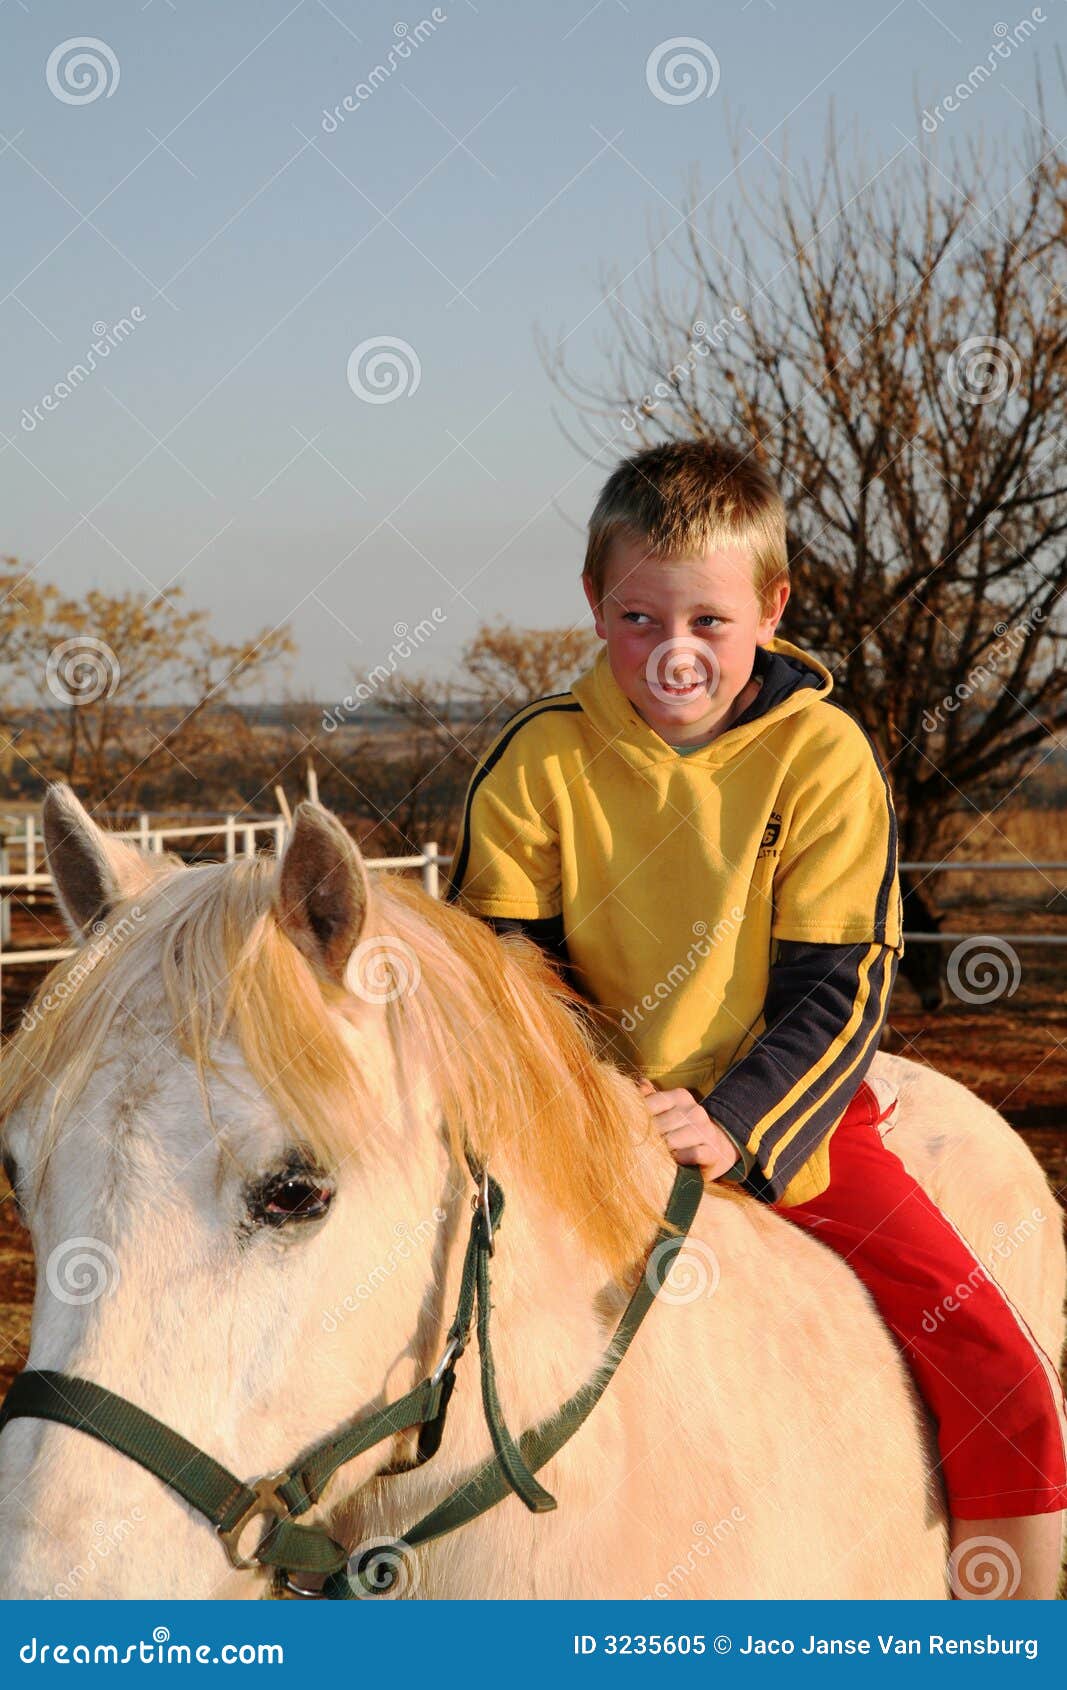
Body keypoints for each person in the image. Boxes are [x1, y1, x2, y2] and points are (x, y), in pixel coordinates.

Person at [445, 438, 1067, 1599]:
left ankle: (1022, 1638)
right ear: (592, 603)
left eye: (707, 623)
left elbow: (839, 981)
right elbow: (503, 968)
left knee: (1003, 1372)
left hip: (783, 1119)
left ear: (770, 610)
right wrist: (597, 1094)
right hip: (585, 1120)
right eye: (637, 619)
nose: (670, 653)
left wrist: (732, 1119)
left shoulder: (820, 756)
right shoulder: (537, 757)